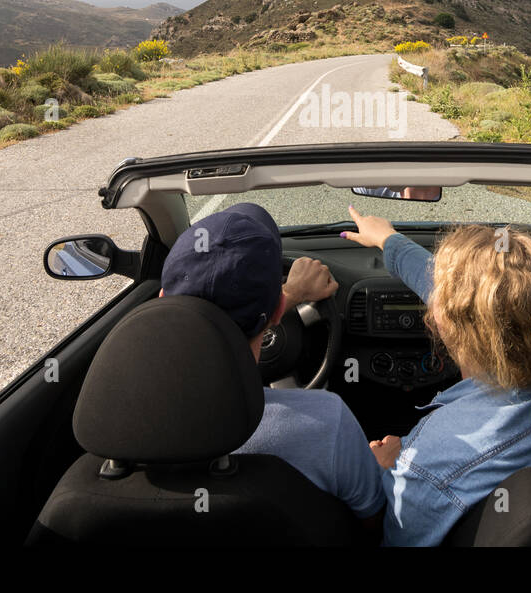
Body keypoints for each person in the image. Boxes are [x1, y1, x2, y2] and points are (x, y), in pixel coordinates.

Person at [341, 206, 531, 545]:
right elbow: (485, 300)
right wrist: (389, 240)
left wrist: (385, 470)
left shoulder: (427, 465)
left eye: (437, 294)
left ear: (444, 322)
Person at [160, 202, 385, 532]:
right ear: (278, 314)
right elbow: (374, 523)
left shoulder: (113, 412)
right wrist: (380, 470)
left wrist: (287, 295)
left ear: (162, 297)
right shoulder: (326, 423)